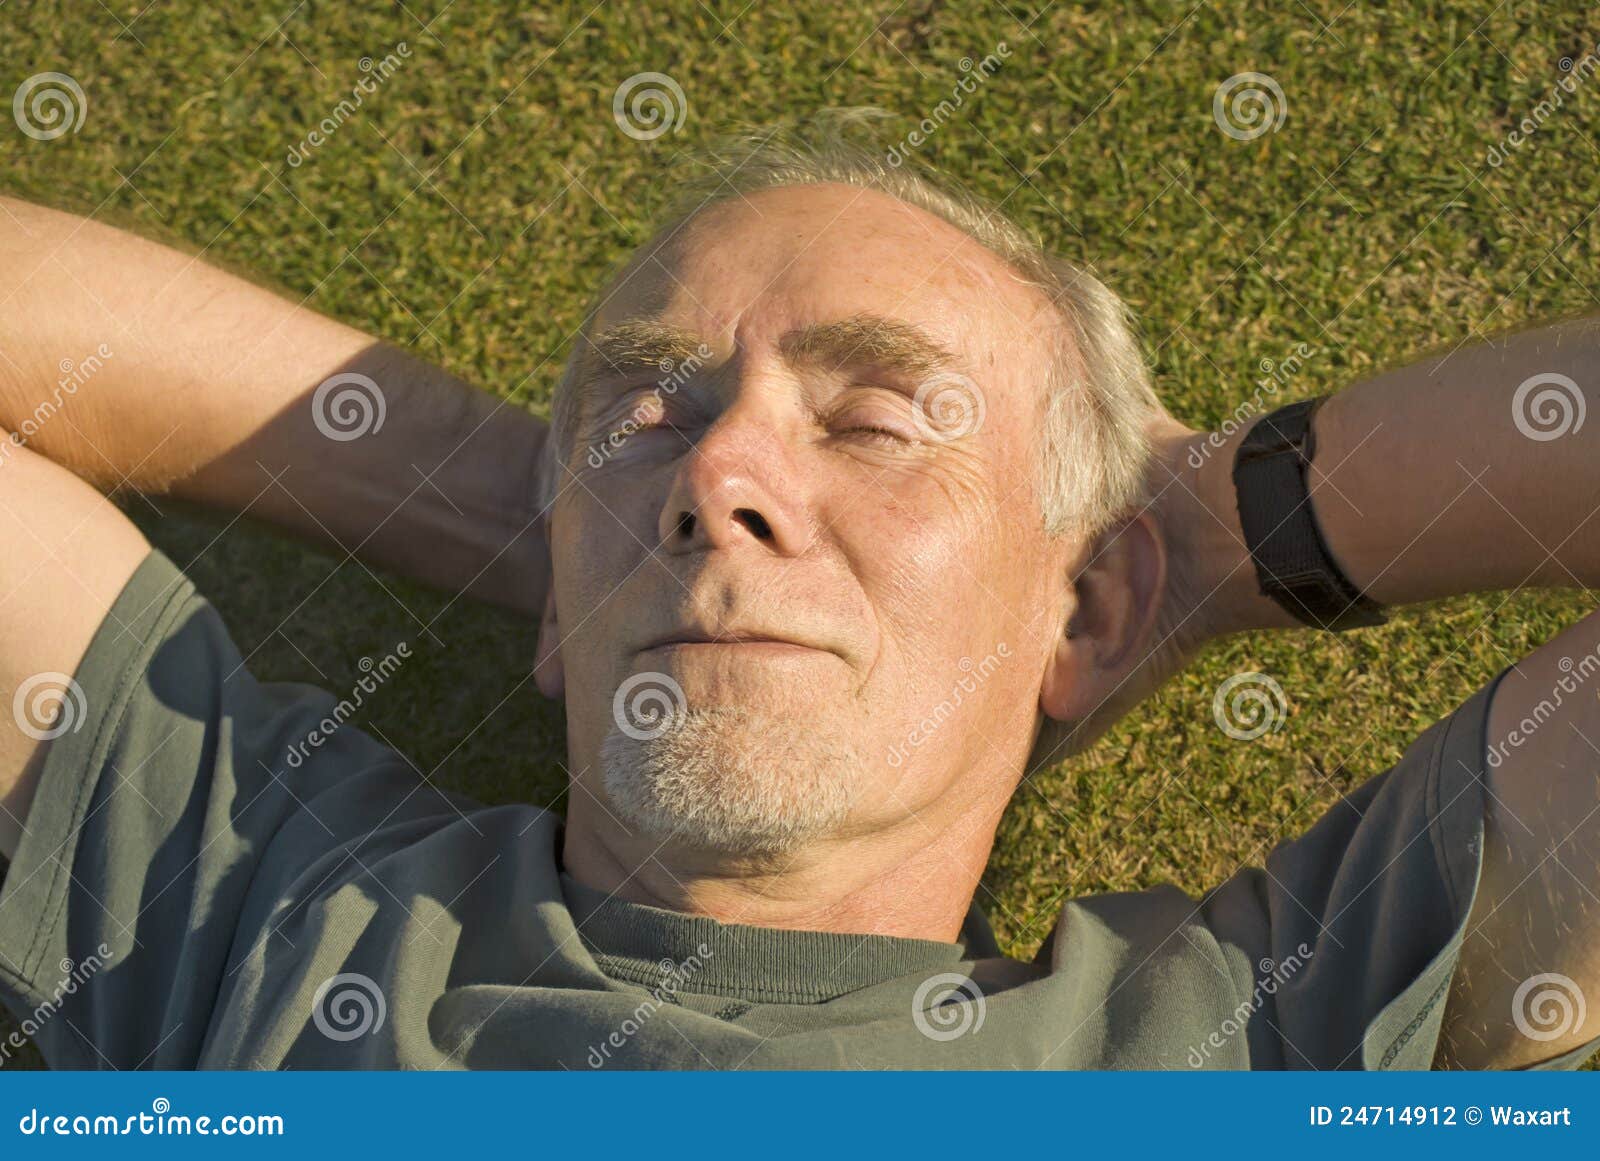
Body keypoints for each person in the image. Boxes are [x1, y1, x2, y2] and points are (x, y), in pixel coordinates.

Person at [0, 112, 1595, 1069]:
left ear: (1091, 607)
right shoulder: (259, 908)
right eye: (652, 416)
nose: (715, 474)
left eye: (877, 420)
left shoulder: (1261, 1047)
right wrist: (565, 518)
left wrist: (1220, 537)